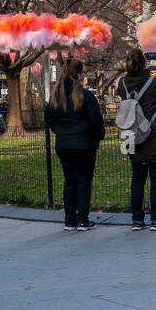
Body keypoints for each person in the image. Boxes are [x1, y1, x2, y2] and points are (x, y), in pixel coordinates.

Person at [117, 49, 156, 231]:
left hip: (133, 137)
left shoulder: (123, 84)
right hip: (155, 138)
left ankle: (137, 220)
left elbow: (126, 86)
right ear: (145, 64)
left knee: (137, 179)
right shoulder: (154, 83)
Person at [45, 58, 105, 231]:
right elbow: (96, 121)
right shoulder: (85, 96)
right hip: (84, 144)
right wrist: (98, 136)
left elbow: (49, 119)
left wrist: (61, 132)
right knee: (83, 181)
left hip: (64, 144)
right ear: (79, 74)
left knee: (69, 181)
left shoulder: (56, 96)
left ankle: (69, 219)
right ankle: (82, 219)